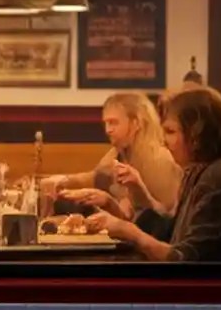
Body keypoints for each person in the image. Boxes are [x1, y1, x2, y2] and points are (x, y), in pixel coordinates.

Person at [86, 86, 221, 262]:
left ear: (197, 134)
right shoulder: (198, 170)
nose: (164, 140)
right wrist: (127, 198)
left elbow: (184, 261)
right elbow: (168, 231)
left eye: (171, 131)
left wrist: (130, 233)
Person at [42, 93, 182, 220]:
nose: (108, 130)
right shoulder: (119, 152)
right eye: (106, 123)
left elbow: (166, 221)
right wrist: (62, 181)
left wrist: (108, 201)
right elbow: (97, 176)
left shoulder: (159, 160)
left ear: (136, 123)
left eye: (113, 123)